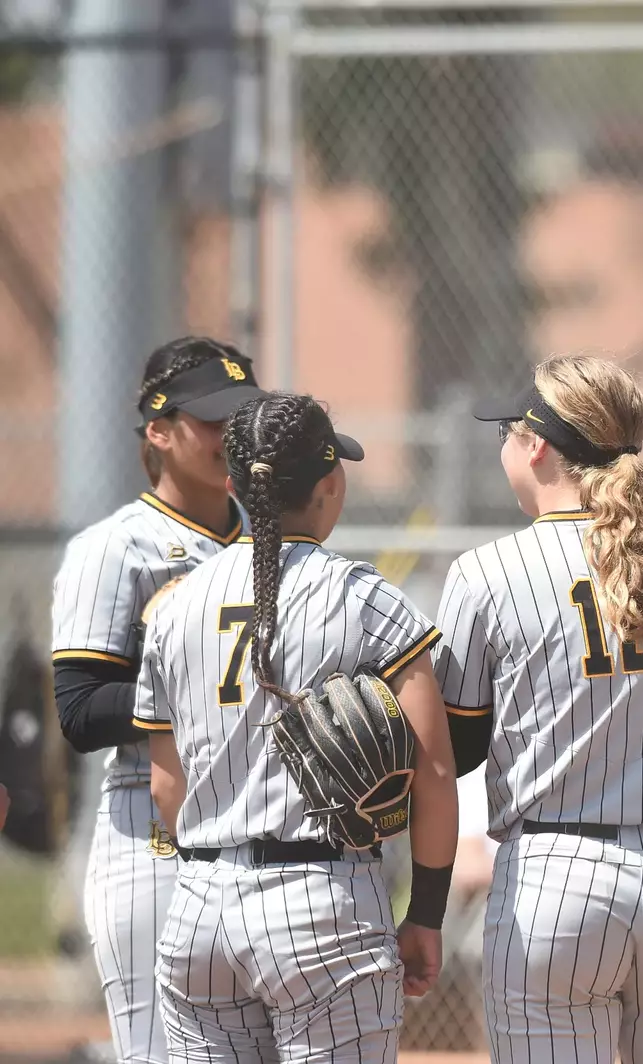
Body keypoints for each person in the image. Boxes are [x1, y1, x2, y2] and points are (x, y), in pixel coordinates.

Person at [433, 355, 643, 1064]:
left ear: (537, 445)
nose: (505, 447)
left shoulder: (486, 571)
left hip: (556, 877)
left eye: (509, 434)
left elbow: (457, 747)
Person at [131, 392, 459, 1062]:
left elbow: (167, 789)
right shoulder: (366, 599)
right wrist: (425, 912)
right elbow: (435, 774)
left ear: (233, 484)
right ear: (331, 482)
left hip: (200, 914)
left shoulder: (172, 608)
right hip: (322, 904)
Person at [51, 337, 262, 1064]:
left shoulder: (275, 542)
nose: (230, 436)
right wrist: (194, 692)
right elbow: (79, 710)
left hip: (259, 826)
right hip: (151, 834)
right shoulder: (115, 548)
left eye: (244, 417)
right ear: (159, 430)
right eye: (212, 420)